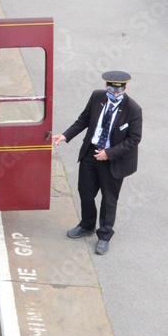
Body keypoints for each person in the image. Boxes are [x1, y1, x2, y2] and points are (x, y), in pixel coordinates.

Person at [52, 71, 142, 255]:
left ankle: (104, 236)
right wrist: (65, 135)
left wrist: (108, 154)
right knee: (85, 191)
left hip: (113, 161)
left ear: (125, 88)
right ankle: (87, 225)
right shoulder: (97, 97)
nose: (115, 94)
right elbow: (84, 119)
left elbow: (134, 139)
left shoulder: (134, 109)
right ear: (106, 87)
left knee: (109, 199)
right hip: (91, 153)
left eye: (119, 91)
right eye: (111, 90)